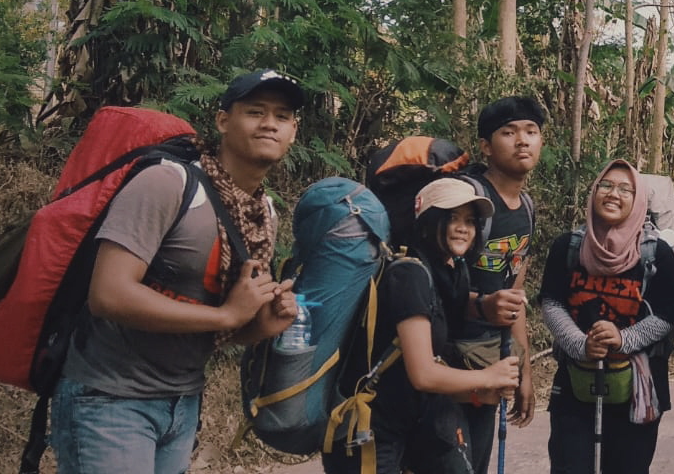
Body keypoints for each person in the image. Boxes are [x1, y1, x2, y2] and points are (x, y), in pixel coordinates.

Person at [50, 69, 305, 474]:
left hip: (183, 403)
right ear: (223, 121)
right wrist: (226, 315)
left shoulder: (262, 214)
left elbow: (215, 329)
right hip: (110, 398)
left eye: (283, 116)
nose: (270, 124)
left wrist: (259, 324)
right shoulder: (168, 184)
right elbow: (109, 294)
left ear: (293, 132)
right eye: (255, 111)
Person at [320, 177, 522, 474]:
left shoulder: (448, 274)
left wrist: (478, 393)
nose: (463, 227)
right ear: (428, 221)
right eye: (452, 217)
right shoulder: (410, 275)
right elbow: (423, 374)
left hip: (406, 428)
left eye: (470, 220)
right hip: (370, 434)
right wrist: (487, 377)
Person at [539, 159, 674, 474]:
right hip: (575, 381)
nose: (613, 194)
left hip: (639, 389)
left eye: (625, 189)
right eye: (606, 185)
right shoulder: (568, 247)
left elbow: (668, 315)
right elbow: (551, 301)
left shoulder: (657, 253)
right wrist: (580, 344)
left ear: (639, 200)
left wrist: (623, 339)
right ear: (594, 191)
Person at [459, 95, 545, 474]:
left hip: (490, 359)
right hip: (444, 357)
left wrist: (524, 372)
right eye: (508, 132)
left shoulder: (526, 209)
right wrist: (480, 305)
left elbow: (515, 299)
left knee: (476, 461)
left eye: (531, 131)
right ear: (485, 147)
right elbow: (427, 286)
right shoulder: (468, 200)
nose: (522, 140)